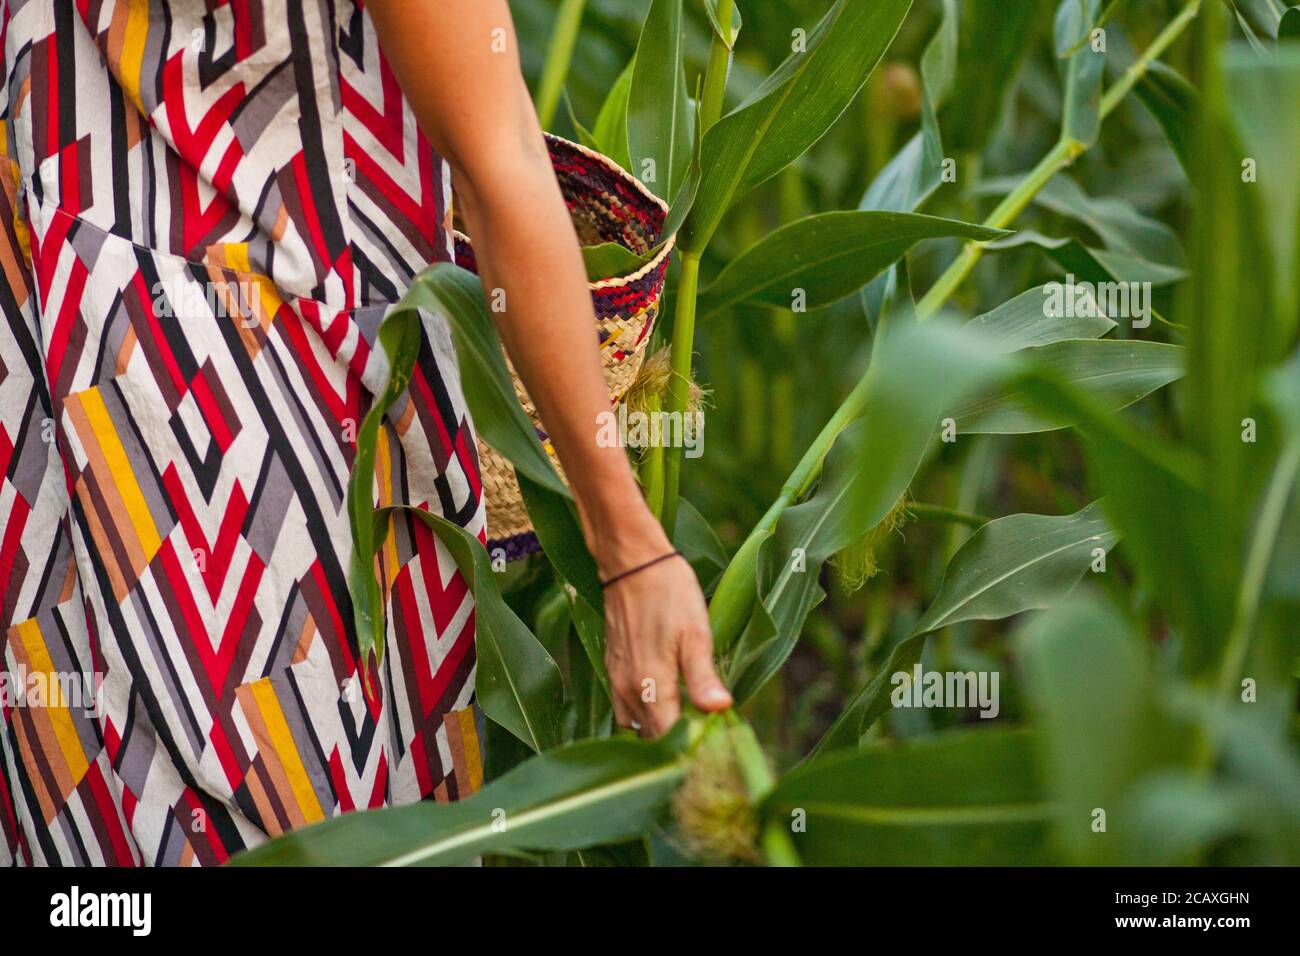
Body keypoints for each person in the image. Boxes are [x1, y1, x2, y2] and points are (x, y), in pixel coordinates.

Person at [0, 0, 730, 866]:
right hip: (283, 455)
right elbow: (498, 163)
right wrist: (629, 546)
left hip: (57, 383)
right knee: (327, 820)